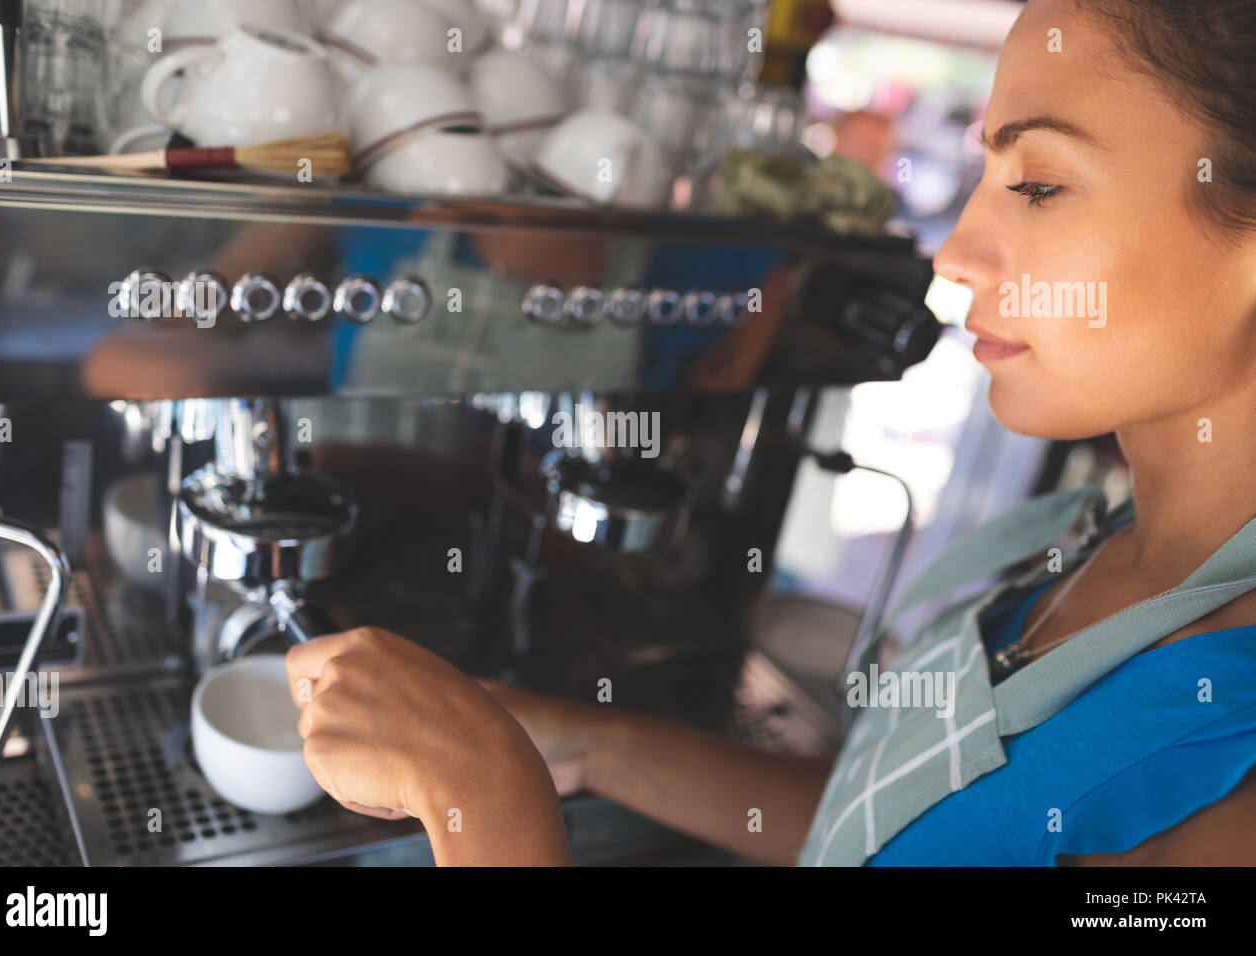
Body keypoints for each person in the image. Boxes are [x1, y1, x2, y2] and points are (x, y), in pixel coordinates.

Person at [284, 0, 1256, 865]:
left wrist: (482, 796)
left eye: (1038, 183)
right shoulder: (1076, 539)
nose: (954, 253)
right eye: (983, 171)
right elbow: (908, 831)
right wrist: (582, 740)